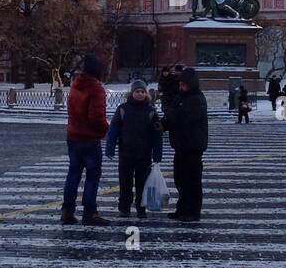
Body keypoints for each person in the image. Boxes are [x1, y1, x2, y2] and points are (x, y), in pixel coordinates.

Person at [62, 53, 109, 225]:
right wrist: (106, 130)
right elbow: (96, 117)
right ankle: (90, 213)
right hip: (89, 139)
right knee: (92, 177)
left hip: (73, 137)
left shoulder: (76, 85)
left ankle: (67, 211)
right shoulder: (96, 88)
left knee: (73, 174)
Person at [105, 78, 163, 217]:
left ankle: (141, 207)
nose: (140, 94)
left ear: (146, 94)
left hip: (144, 153)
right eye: (137, 91)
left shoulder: (151, 111)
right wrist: (110, 147)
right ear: (132, 93)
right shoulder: (123, 109)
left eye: (142, 91)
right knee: (125, 182)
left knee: (142, 183)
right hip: (126, 152)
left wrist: (157, 153)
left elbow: (156, 134)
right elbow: (114, 129)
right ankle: (124, 206)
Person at [162, 67, 208, 223]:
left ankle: (193, 211)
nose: (181, 87)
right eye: (180, 84)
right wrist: (163, 124)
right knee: (180, 179)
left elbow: (182, 117)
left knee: (192, 180)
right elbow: (173, 116)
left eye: (184, 84)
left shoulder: (197, 99)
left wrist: (168, 113)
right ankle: (182, 208)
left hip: (193, 146)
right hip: (181, 146)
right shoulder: (181, 97)